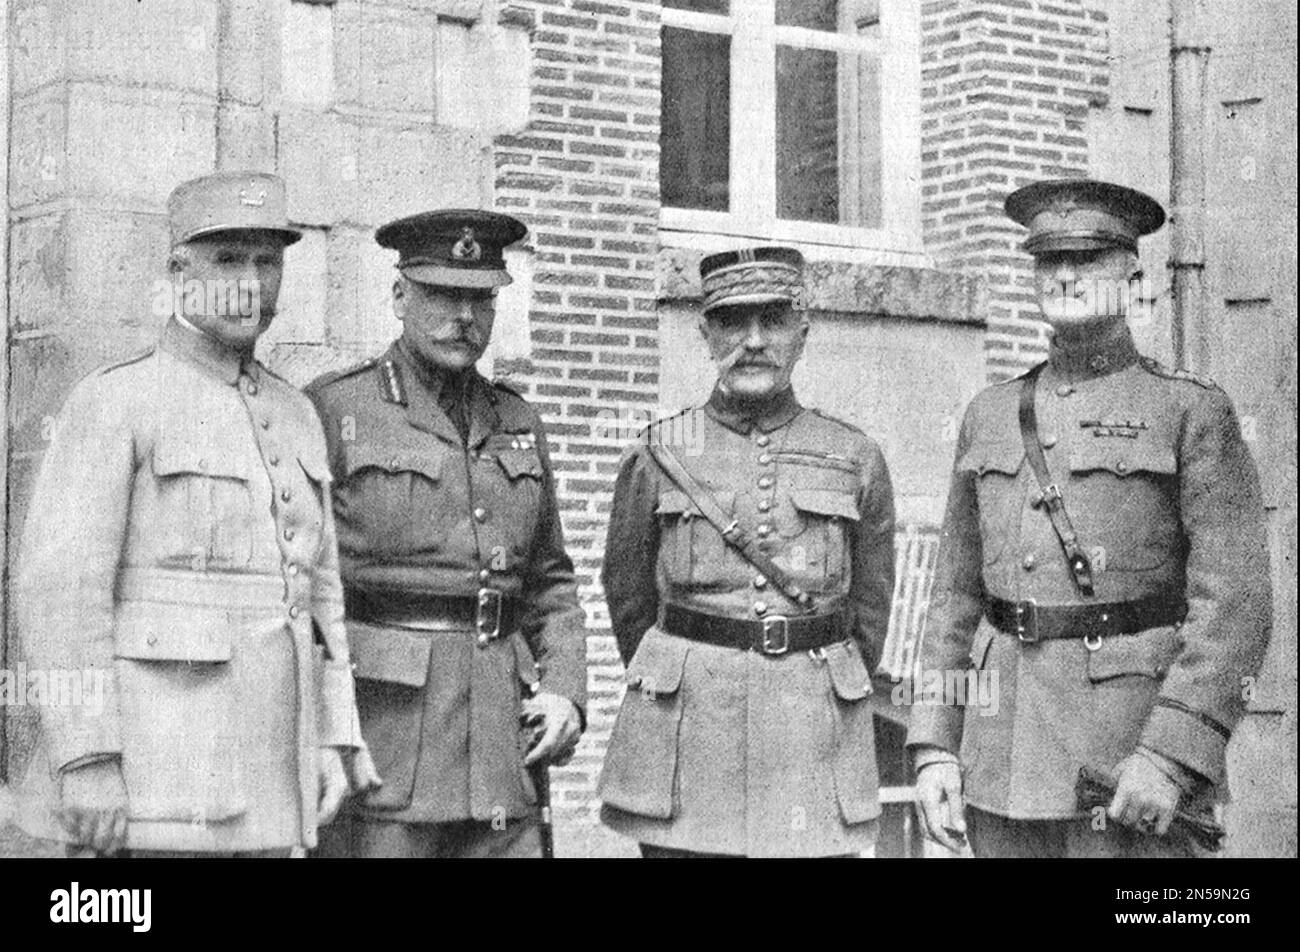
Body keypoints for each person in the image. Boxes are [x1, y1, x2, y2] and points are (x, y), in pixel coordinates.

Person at [15, 171, 377, 857]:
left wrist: (332, 735)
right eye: (228, 259)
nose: (252, 280)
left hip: (272, 781)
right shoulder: (117, 401)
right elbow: (60, 593)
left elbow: (318, 595)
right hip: (155, 779)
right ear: (179, 271)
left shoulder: (297, 413)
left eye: (267, 260)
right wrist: (89, 759)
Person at [907, 179, 1273, 858]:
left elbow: (1234, 608)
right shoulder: (989, 414)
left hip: (1125, 767)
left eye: (1089, 258)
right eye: (1051, 260)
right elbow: (954, 601)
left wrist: (1170, 756)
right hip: (1000, 764)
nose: (1067, 275)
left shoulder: (1190, 413)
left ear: (1131, 272)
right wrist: (935, 745)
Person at [598, 246, 897, 857]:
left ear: (803, 332)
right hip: (689, 749)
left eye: (774, 320)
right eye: (733, 321)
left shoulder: (854, 456)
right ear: (706, 334)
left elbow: (870, 613)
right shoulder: (658, 453)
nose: (753, 340)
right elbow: (628, 598)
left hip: (811, 741)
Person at [307, 209, 586, 859]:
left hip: (501, 737)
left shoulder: (518, 420)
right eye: (442, 295)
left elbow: (550, 580)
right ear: (400, 296)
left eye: (480, 298)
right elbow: (300, 585)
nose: (464, 316)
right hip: (386, 740)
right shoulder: (335, 408)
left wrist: (566, 690)